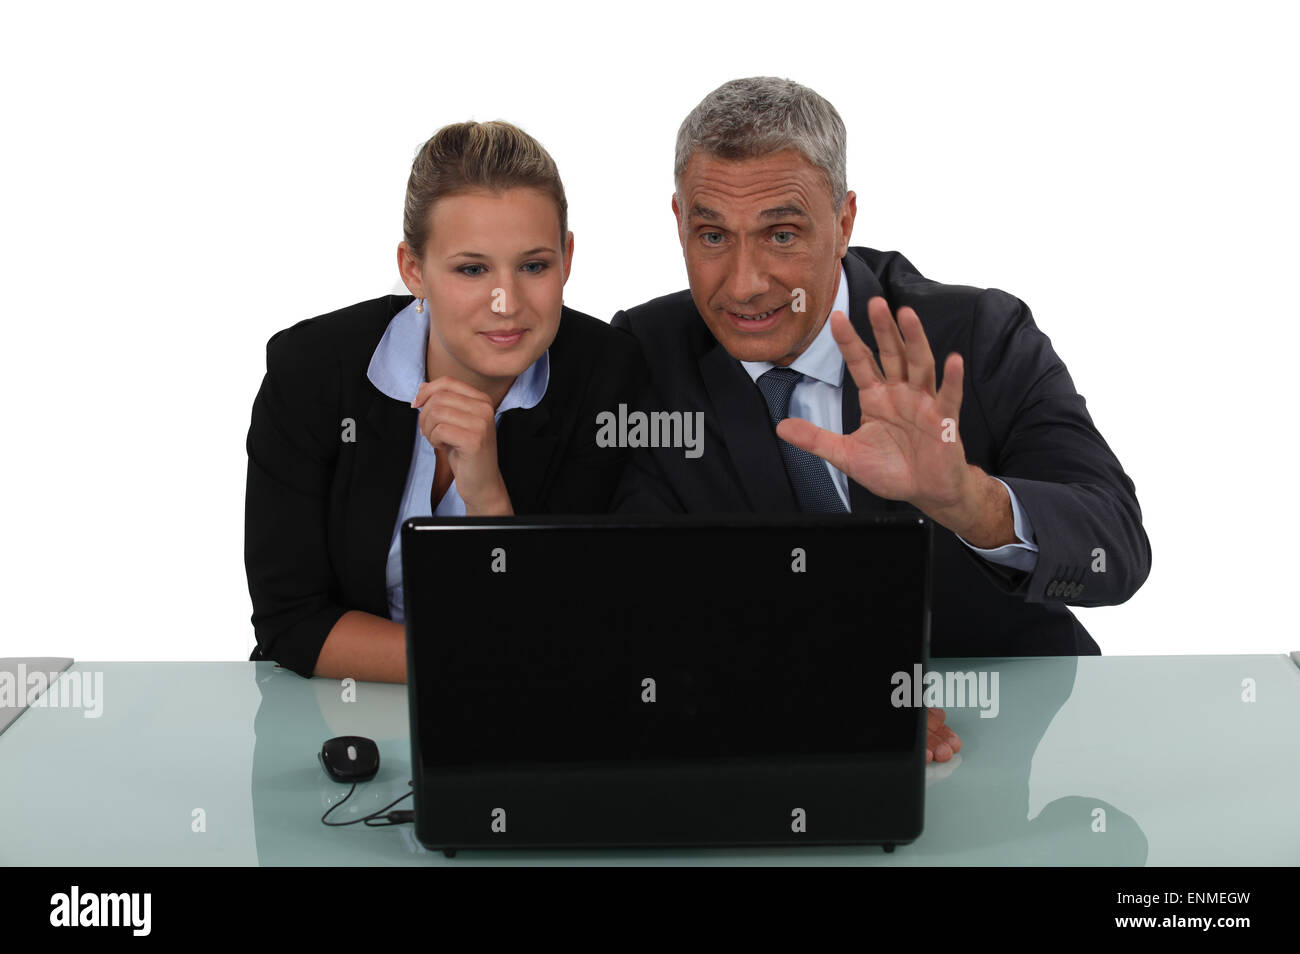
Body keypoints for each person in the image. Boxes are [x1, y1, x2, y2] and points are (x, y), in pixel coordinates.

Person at [611, 77, 1153, 761]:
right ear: (678, 220)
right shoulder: (644, 356)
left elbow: (1117, 549)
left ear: (844, 220)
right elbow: (630, 595)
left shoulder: (977, 335)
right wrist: (800, 689)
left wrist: (969, 501)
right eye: (712, 234)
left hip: (1015, 741)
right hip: (769, 746)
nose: (744, 282)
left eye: (781, 234)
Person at [244, 120, 646, 683]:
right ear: (414, 269)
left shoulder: (608, 377)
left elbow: (566, 623)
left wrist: (487, 495)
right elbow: (290, 620)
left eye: (534, 265)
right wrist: (470, 660)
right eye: (472, 269)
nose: (506, 303)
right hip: (332, 706)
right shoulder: (311, 372)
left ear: (568, 257)